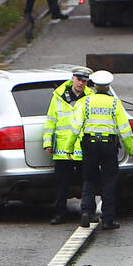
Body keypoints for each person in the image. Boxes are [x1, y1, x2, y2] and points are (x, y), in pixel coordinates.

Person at [69, 69, 133, 230]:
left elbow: (75, 127)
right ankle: (108, 219)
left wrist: (69, 148)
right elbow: (125, 130)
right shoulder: (114, 104)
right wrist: (131, 150)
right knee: (109, 181)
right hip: (108, 145)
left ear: (94, 85)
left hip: (89, 144)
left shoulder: (84, 102)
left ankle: (86, 213)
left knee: (89, 179)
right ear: (108, 86)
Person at [43, 67, 93, 225]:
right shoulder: (58, 96)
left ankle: (87, 212)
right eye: (79, 79)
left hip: (83, 148)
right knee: (62, 184)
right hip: (63, 149)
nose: (81, 83)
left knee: (87, 182)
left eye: (84, 81)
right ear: (72, 78)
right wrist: (47, 142)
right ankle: (59, 214)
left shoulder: (90, 97)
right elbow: (51, 120)